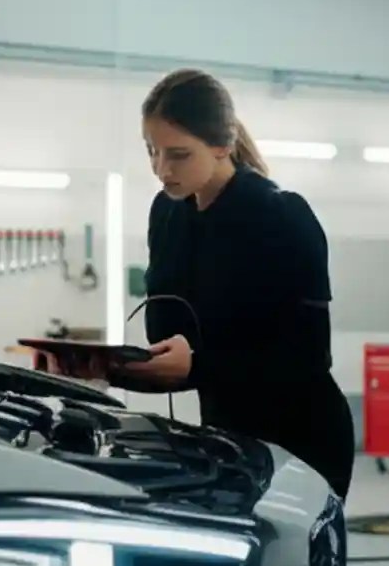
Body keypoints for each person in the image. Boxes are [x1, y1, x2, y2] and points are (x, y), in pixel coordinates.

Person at [108, 68, 356, 501]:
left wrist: (197, 366)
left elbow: (307, 360)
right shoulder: (168, 214)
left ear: (222, 145)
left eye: (179, 154)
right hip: (227, 438)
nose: (160, 169)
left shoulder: (282, 217)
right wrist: (106, 368)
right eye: (152, 151)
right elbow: (171, 338)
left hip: (302, 441)